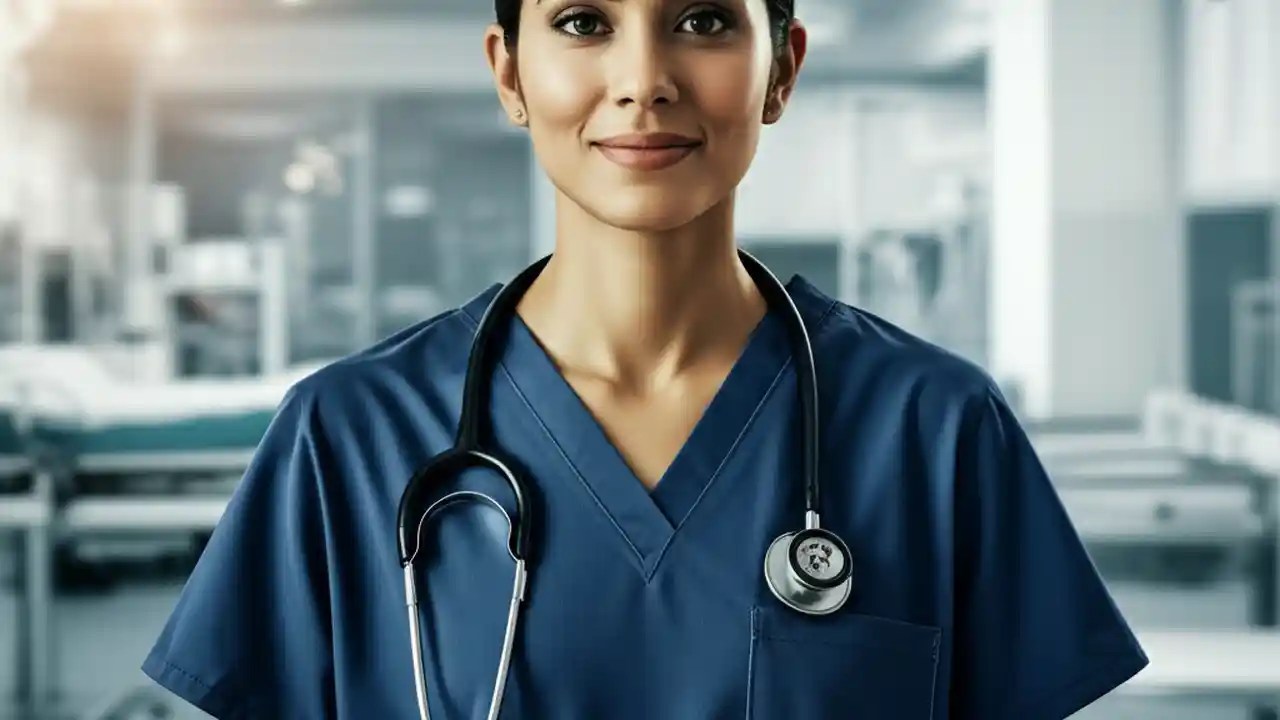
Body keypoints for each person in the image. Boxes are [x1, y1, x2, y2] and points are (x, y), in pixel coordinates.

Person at [142, 0, 1150, 717]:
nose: (644, 82)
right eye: (583, 22)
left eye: (705, 20)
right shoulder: (348, 435)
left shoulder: (932, 427)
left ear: (782, 68)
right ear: (507, 72)